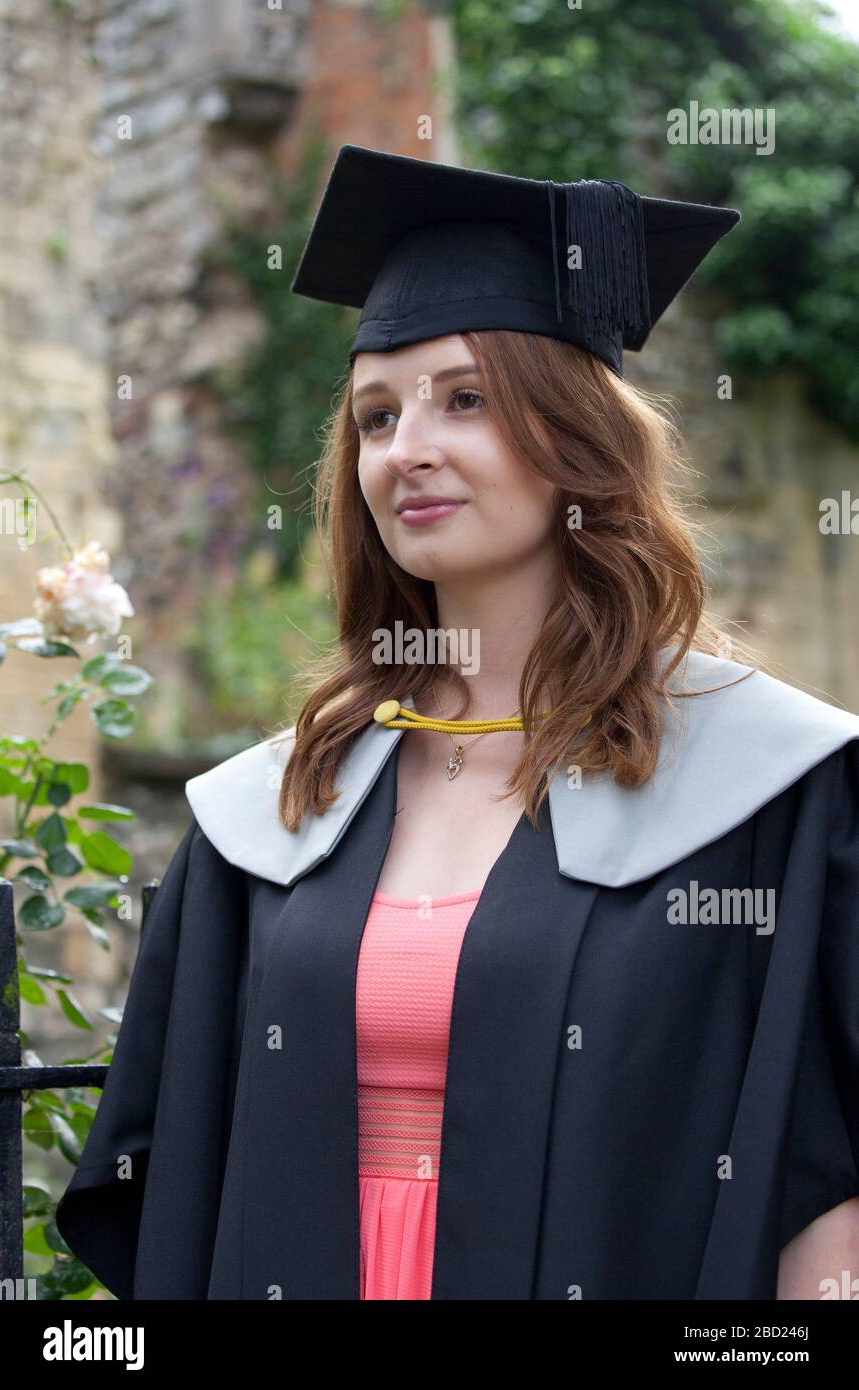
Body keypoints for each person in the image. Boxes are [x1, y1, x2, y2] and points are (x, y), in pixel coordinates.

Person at [56, 145, 859, 1301]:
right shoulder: (275, 809)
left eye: (465, 399)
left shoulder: (768, 787)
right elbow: (179, 1184)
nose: (407, 449)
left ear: (575, 438)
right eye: (376, 416)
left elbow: (819, 1181)